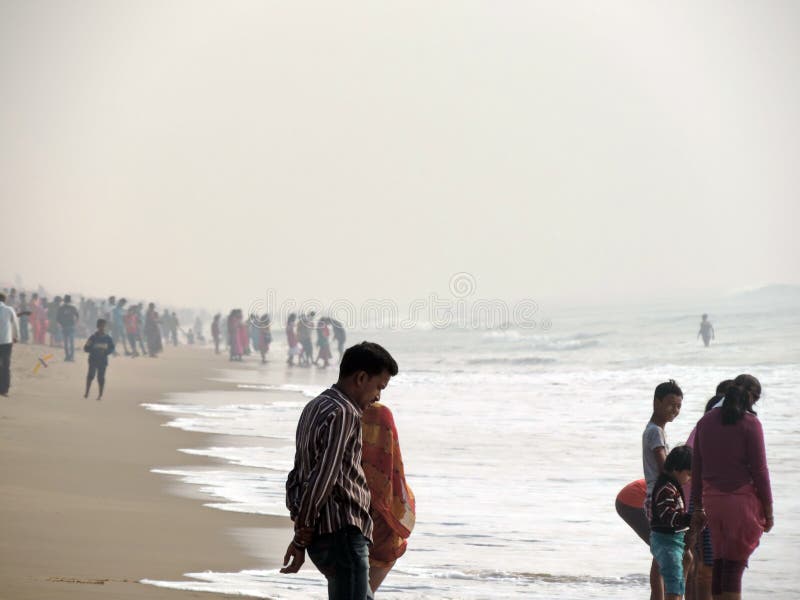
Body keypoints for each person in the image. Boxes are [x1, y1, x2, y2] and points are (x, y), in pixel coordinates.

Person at [282, 342, 399, 600]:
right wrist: (301, 535)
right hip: (342, 534)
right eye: (379, 387)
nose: (378, 397)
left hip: (324, 536)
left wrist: (302, 534)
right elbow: (322, 479)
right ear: (360, 378)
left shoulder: (315, 406)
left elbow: (298, 474)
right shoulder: (344, 412)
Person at [690, 375, 772, 599]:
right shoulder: (751, 424)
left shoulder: (705, 421)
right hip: (740, 502)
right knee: (734, 566)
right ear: (752, 398)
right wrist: (769, 510)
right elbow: (760, 470)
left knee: (719, 561)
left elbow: (696, 468)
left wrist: (697, 506)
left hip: (711, 502)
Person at [684, 379, 734, 600]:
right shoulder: (709, 430)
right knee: (704, 567)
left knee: (697, 566)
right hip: (701, 505)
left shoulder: (703, 428)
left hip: (695, 504)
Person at [361, 400, 416, 593]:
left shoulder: (335, 410)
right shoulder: (386, 495)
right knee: (360, 592)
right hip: (371, 521)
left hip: (324, 523)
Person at [643, 379, 684, 600]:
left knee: (659, 555)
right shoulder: (655, 432)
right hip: (659, 500)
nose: (674, 410)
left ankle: (656, 596)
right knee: (665, 553)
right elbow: (664, 467)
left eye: (678, 406)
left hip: (653, 497)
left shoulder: (655, 430)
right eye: (670, 404)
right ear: (656, 402)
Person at [650, 445, 694, 600]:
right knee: (674, 584)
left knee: (680, 572)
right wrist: (690, 519)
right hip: (666, 541)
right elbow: (668, 517)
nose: (689, 480)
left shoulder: (671, 485)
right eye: (688, 474)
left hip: (672, 540)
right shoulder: (666, 489)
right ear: (677, 469)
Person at [83, 318, 115, 400]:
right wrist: (94, 350)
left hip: (103, 360)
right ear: (97, 326)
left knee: (101, 377)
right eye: (101, 326)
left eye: (104, 326)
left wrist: (106, 352)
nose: (102, 328)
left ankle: (100, 395)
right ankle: (87, 392)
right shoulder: (93, 337)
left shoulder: (108, 338)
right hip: (93, 359)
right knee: (91, 376)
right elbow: (86, 348)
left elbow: (112, 348)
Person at [0, 292, 21, 397]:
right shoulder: (9, 309)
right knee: (5, 365)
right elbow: (15, 324)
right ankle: (4, 389)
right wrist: (16, 336)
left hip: (5, 341)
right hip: (6, 341)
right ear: (5, 300)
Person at [57, 294, 80, 361]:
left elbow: (58, 318)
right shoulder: (73, 307)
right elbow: (77, 316)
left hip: (64, 326)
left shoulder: (61, 308)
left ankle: (67, 356)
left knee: (66, 342)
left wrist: (61, 324)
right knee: (71, 342)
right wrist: (76, 323)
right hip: (71, 326)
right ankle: (72, 357)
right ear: (70, 300)